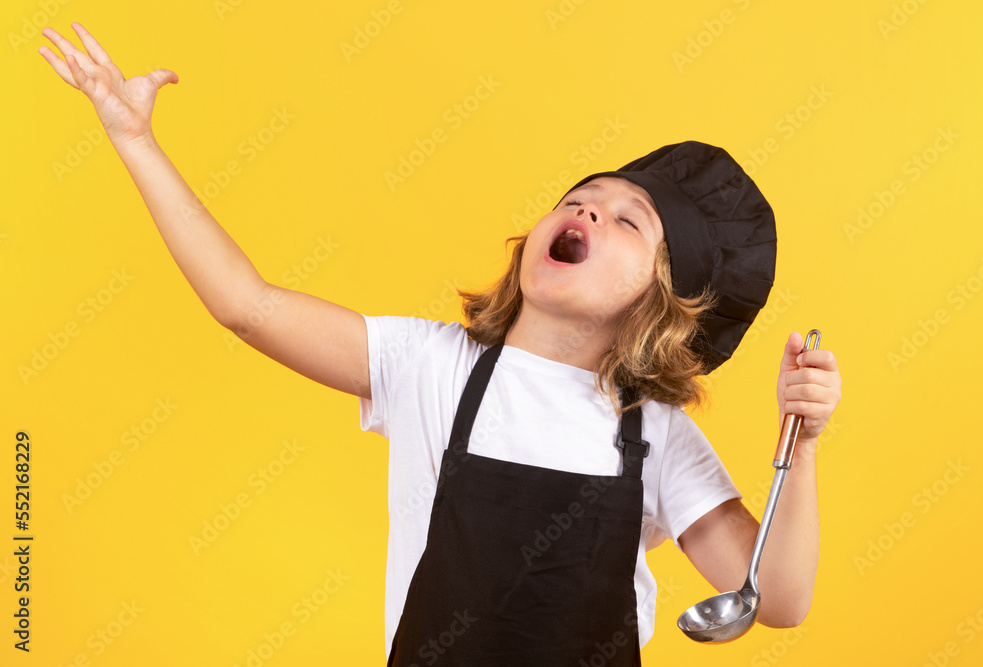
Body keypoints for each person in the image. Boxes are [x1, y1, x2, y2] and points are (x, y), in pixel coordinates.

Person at [40, 23, 843, 665]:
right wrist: (136, 140)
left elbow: (774, 597)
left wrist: (800, 448)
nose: (591, 210)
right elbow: (246, 305)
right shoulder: (428, 366)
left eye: (629, 218)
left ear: (659, 307)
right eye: (580, 197)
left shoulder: (655, 434)